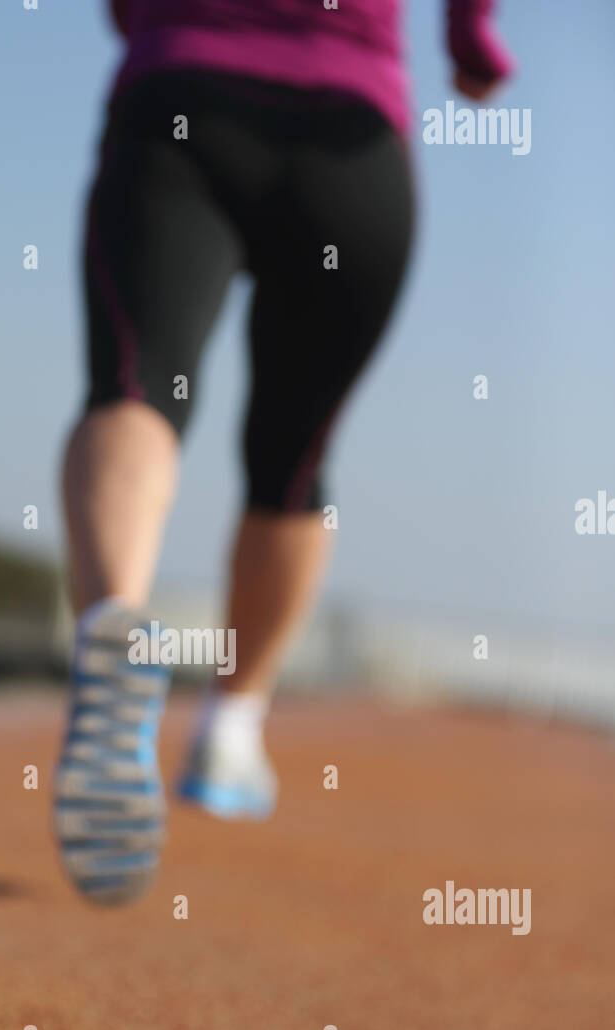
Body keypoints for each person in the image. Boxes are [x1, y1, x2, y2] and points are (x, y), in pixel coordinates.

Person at [54, 0, 516, 906]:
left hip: (185, 100)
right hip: (351, 141)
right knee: (293, 459)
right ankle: (232, 727)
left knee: (138, 390)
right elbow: (473, 29)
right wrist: (474, 46)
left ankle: (115, 621)